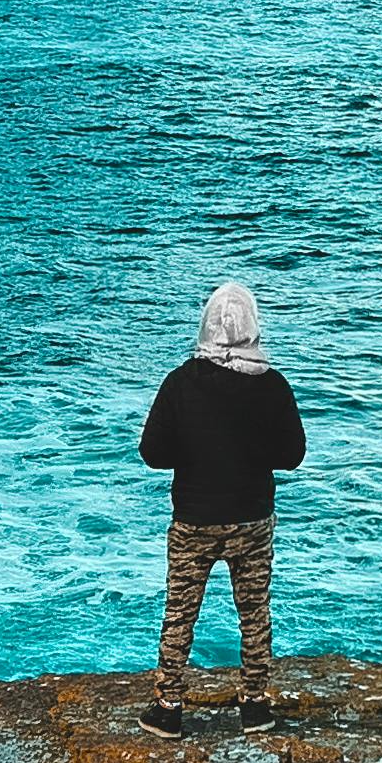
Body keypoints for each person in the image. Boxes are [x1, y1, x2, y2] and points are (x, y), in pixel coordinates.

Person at [139, 278, 305, 726]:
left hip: (194, 518)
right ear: (254, 327)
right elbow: (293, 456)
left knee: (179, 615)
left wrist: (195, 450)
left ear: (206, 325)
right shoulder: (272, 385)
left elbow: (152, 453)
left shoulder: (180, 383)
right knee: (254, 614)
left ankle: (169, 709)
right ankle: (254, 706)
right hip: (251, 518)